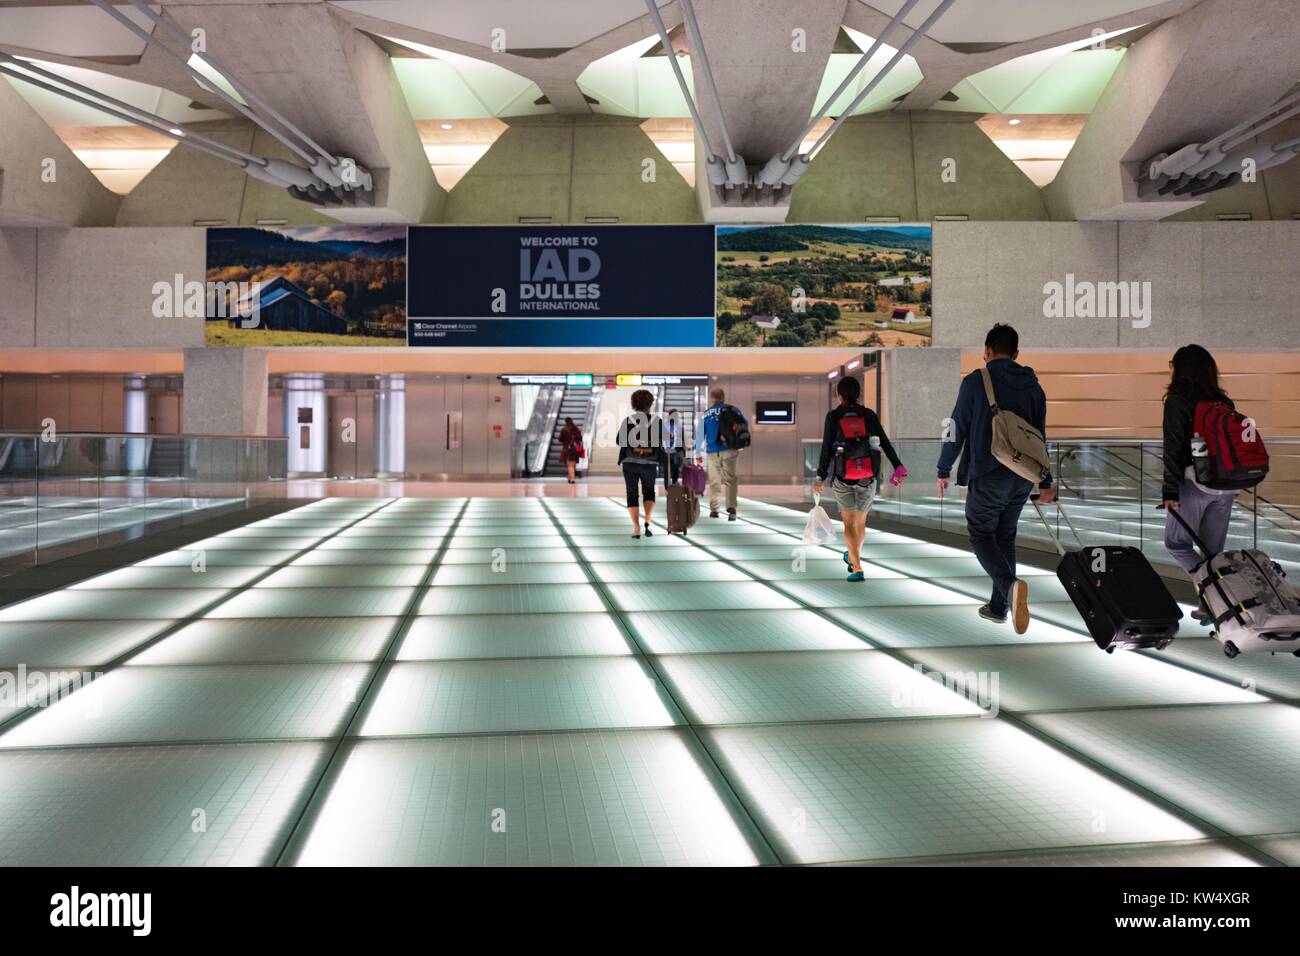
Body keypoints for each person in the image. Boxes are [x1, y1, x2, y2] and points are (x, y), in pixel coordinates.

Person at [936, 323, 1055, 634]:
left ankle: (1009, 587)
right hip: (1022, 476)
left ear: (986, 351)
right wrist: (1045, 480)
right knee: (1005, 536)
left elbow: (955, 426)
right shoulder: (1034, 387)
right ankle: (1000, 606)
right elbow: (1040, 437)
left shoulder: (977, 381)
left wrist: (943, 468)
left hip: (987, 472)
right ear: (1016, 354)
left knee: (980, 534)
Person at [1161, 344, 1239, 619]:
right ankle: (1211, 606)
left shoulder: (1178, 399)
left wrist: (1170, 490)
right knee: (1212, 552)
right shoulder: (1223, 402)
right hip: (1226, 486)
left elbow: (1172, 447)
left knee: (1176, 544)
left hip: (1193, 484)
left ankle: (1218, 593)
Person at [813, 376, 907, 582]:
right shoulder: (868, 415)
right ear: (859, 394)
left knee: (848, 523)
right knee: (860, 522)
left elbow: (826, 448)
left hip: (843, 475)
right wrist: (898, 467)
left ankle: (857, 567)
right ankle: (854, 554)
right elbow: (885, 442)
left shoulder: (834, 416)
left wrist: (820, 476)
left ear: (839, 394)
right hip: (867, 475)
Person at [617, 389, 670, 539]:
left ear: (634, 404)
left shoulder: (629, 420)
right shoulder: (656, 421)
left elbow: (619, 440)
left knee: (632, 494)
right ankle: (647, 519)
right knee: (649, 491)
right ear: (650, 404)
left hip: (630, 463)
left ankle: (636, 527)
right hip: (649, 462)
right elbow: (667, 439)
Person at [695, 387, 747, 520]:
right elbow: (744, 424)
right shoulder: (733, 410)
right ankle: (732, 509)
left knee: (714, 481)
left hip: (713, 452)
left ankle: (714, 510)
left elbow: (700, 434)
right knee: (730, 479)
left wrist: (697, 452)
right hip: (730, 450)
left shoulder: (706, 414)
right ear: (723, 397)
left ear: (712, 399)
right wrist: (739, 443)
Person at [558, 416, 583, 484]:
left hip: (568, 449)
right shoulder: (576, 429)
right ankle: (570, 478)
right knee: (572, 465)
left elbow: (560, 439)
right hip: (577, 449)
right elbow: (581, 438)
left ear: (566, 422)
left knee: (570, 465)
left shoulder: (564, 429)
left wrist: (565, 440)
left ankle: (572, 479)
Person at [664, 409, 684, 485]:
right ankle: (672, 489)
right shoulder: (667, 425)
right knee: (673, 471)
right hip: (671, 452)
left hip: (672, 452)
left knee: (669, 472)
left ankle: (670, 490)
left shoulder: (677, 426)